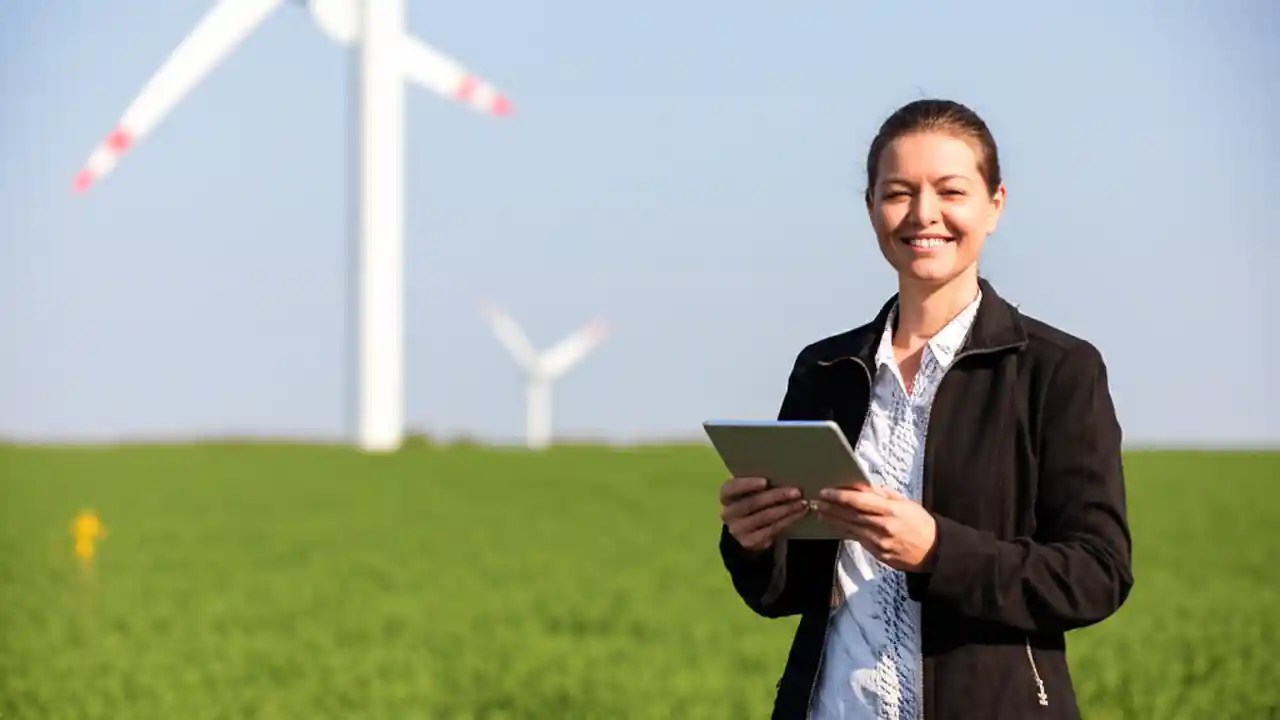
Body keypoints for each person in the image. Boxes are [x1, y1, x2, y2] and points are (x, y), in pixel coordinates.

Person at [717, 98, 1133, 720]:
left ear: (995, 204)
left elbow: (1097, 572)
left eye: (951, 190)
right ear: (870, 208)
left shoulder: (1057, 371)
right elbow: (786, 591)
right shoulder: (824, 370)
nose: (923, 214)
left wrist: (938, 549)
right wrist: (753, 541)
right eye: (898, 193)